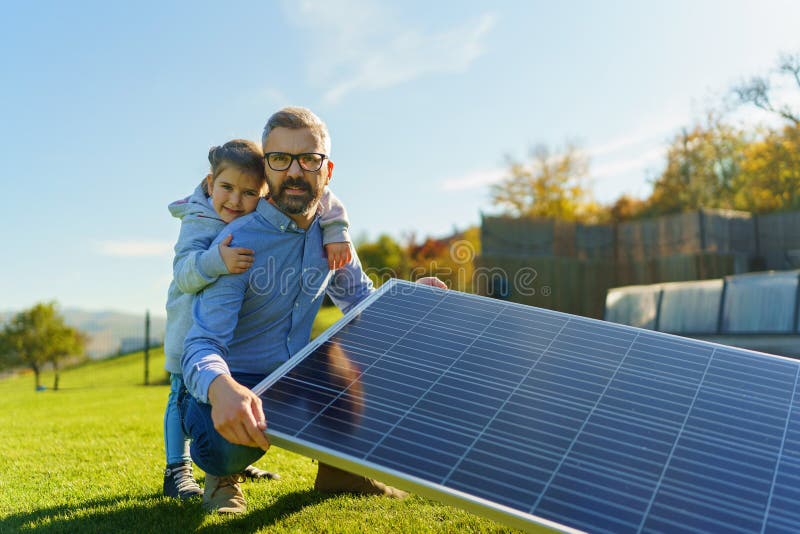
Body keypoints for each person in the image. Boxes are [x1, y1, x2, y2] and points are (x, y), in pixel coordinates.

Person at [180, 107, 446, 513]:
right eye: (280, 159)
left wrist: (408, 298)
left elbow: (361, 303)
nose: (294, 172)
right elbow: (201, 343)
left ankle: (341, 470)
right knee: (224, 445)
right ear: (266, 169)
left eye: (308, 159)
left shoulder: (331, 237)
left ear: (327, 170)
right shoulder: (236, 243)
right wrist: (221, 388)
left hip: (293, 375)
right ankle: (222, 476)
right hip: (237, 382)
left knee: (340, 351)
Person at [162, 138, 353, 499]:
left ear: (264, 194)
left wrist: (337, 229)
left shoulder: (256, 222)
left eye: (249, 192)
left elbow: (326, 200)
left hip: (226, 334)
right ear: (209, 184)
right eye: (227, 188)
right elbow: (185, 273)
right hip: (188, 326)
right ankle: (176, 467)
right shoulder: (200, 220)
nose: (235, 201)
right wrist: (217, 261)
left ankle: (241, 462)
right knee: (177, 396)